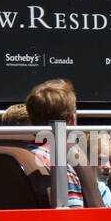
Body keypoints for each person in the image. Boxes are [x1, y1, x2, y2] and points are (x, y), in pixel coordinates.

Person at [25, 79, 84, 207]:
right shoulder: (63, 167)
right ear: (72, 120)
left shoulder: (23, 158)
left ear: (30, 121)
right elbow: (76, 215)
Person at [87, 131, 111, 207]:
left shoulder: (107, 190)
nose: (107, 166)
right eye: (101, 159)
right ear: (88, 159)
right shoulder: (104, 190)